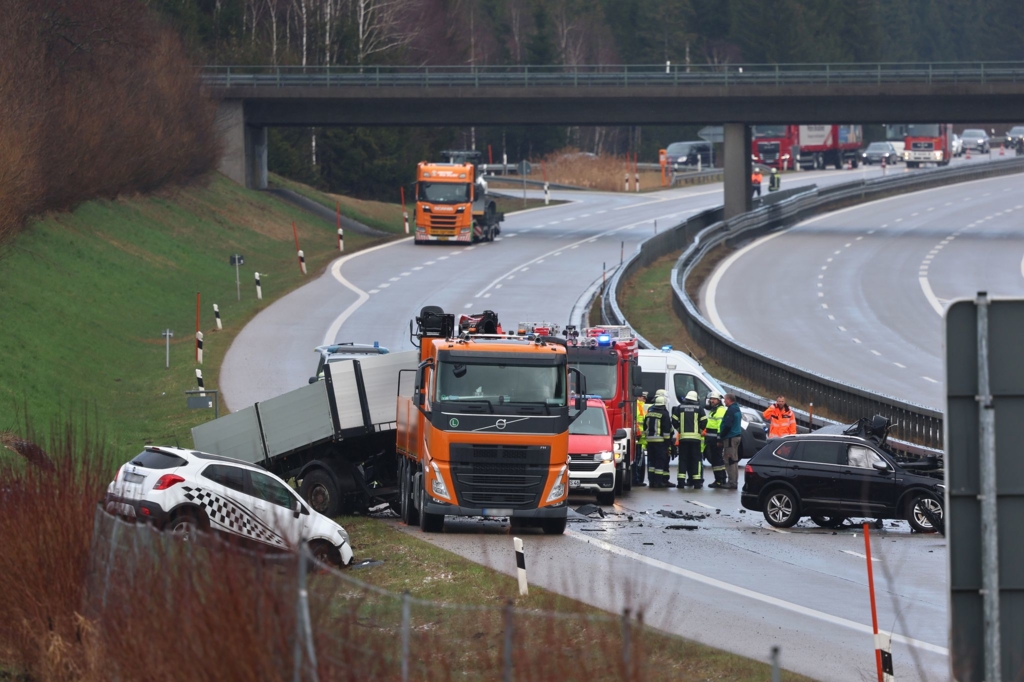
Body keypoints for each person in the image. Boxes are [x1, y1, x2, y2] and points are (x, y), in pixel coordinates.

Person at [672, 390, 706, 489]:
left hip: (683, 439)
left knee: (683, 459)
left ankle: (681, 483)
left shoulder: (680, 408)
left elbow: (674, 420)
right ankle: (697, 482)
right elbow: (704, 421)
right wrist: (699, 431)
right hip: (695, 439)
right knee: (696, 460)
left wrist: (680, 429)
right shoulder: (699, 408)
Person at [644, 394, 673, 488]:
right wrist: (668, 443)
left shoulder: (649, 413)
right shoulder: (664, 414)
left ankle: (651, 481)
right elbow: (666, 430)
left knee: (651, 461)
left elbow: (645, 427)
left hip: (650, 441)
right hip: (660, 441)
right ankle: (658, 482)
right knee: (660, 461)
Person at [703, 392, 728, 488]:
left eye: (714, 399)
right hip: (712, 438)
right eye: (711, 399)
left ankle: (719, 480)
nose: (711, 400)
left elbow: (720, 425)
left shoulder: (720, 410)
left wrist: (719, 439)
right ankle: (721, 479)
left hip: (715, 439)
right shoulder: (715, 410)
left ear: (718, 400)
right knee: (717, 460)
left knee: (716, 460)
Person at [719, 393, 743, 490]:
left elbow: (728, 425)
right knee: (734, 460)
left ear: (729, 400)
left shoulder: (731, 410)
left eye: (725, 399)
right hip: (736, 436)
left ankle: (732, 482)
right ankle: (734, 481)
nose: (724, 401)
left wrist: (722, 436)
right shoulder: (737, 408)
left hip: (730, 438)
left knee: (729, 460)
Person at [633, 392, 649, 487]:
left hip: (641, 438)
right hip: (638, 437)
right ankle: (636, 480)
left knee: (639, 459)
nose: (643, 399)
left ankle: (637, 479)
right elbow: (637, 421)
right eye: (642, 397)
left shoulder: (642, 407)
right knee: (637, 459)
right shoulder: (638, 406)